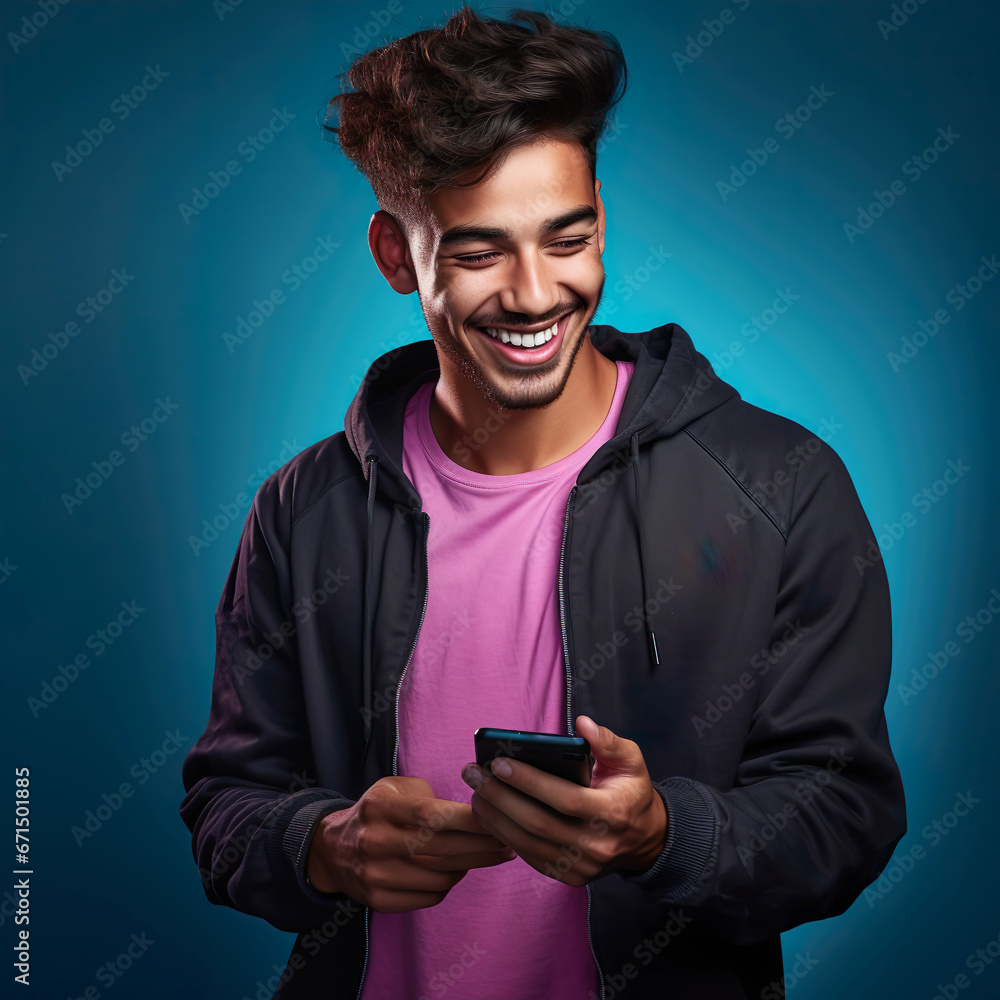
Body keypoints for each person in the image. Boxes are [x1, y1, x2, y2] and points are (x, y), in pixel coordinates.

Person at [179, 6, 906, 998]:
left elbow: (844, 816)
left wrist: (664, 834)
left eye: (567, 237)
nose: (535, 295)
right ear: (397, 255)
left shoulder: (782, 484)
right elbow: (226, 801)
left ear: (599, 214)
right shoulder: (301, 510)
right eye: (479, 251)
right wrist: (321, 845)